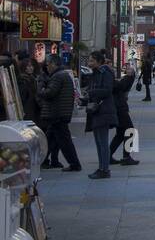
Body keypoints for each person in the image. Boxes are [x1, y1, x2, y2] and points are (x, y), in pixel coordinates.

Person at [36, 55, 81, 171]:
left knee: (64, 141)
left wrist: (41, 89)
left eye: (48, 64)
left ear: (53, 64)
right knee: (49, 139)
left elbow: (49, 93)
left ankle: (74, 164)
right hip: (59, 113)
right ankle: (43, 161)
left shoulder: (57, 76)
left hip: (57, 113)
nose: (47, 67)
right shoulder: (63, 75)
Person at [83, 49, 118, 179]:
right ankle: (102, 167)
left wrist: (92, 93)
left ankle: (104, 169)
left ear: (98, 62)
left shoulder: (105, 72)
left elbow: (108, 90)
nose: (89, 63)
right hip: (98, 111)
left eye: (91, 60)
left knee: (102, 142)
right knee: (99, 141)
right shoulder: (96, 73)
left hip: (104, 111)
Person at [109, 63, 139, 166]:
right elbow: (121, 86)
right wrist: (129, 76)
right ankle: (126, 157)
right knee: (130, 131)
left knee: (121, 134)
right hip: (118, 108)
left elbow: (123, 86)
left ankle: (108, 155)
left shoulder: (109, 79)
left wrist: (130, 76)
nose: (112, 68)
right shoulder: (108, 80)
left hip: (118, 107)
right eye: (109, 66)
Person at [14, 52, 41, 125]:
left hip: (33, 109)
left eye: (32, 66)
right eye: (28, 66)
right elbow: (22, 97)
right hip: (27, 110)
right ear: (24, 67)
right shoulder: (23, 80)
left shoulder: (32, 78)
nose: (31, 68)